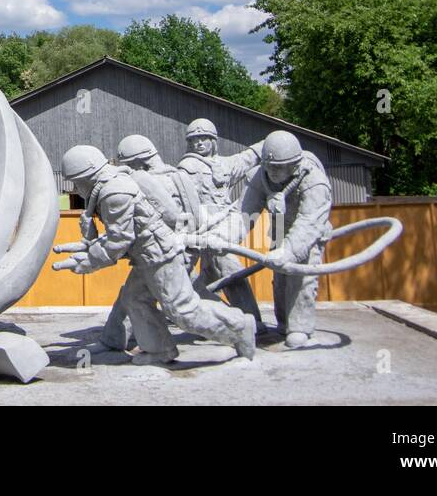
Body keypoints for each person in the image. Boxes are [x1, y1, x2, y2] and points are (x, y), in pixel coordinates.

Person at [54, 145, 255, 364]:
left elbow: (119, 239)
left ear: (87, 175)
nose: (75, 186)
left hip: (160, 257)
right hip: (147, 257)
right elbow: (120, 234)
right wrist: (88, 246)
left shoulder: (114, 193)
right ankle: (160, 350)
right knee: (135, 299)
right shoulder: (109, 186)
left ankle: (240, 327)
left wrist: (88, 262)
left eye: (76, 181)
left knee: (183, 310)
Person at [96, 135, 200, 351]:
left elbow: (184, 216)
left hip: (169, 250)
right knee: (136, 295)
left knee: (138, 296)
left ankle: (237, 325)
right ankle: (123, 339)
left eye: (129, 165)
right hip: (164, 249)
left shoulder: (154, 180)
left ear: (138, 161)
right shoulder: (174, 177)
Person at [237, 131, 332, 348]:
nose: (274, 172)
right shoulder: (261, 177)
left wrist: (287, 251)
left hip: (308, 232)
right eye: (270, 167)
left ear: (294, 165)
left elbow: (309, 222)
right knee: (280, 278)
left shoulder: (314, 180)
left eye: (280, 167)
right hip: (280, 228)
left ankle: (300, 327)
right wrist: (223, 238)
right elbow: (243, 216)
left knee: (301, 275)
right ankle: (283, 321)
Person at [176, 118, 264, 327]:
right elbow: (179, 201)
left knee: (210, 274)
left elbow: (248, 157)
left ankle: (231, 318)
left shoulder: (224, 164)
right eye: (195, 139)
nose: (199, 143)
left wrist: (272, 143)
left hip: (223, 229)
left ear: (213, 141)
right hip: (198, 231)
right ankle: (250, 320)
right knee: (225, 270)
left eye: (204, 138)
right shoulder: (186, 168)